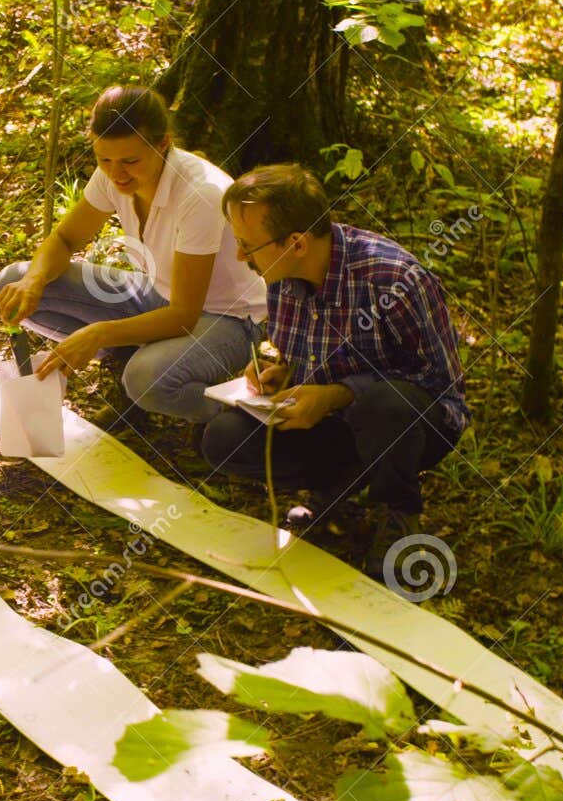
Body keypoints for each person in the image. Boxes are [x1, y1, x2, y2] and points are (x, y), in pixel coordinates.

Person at [201, 163, 470, 571]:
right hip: (334, 422)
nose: (241, 256)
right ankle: (335, 490)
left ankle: (396, 514)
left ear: (296, 243)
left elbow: (438, 387)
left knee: (383, 405)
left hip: (407, 425)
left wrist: (341, 393)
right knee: (222, 438)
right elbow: (309, 354)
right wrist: (283, 374)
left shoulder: (391, 280)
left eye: (248, 245)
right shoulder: (281, 275)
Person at [0, 85, 267, 425]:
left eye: (130, 161)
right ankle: (127, 359)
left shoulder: (200, 193)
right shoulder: (113, 174)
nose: (116, 173)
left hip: (228, 319)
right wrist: (33, 281)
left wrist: (99, 333)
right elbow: (64, 238)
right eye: (103, 159)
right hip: (158, 293)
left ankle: (229, 414)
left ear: (163, 143)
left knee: (146, 379)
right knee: (13, 281)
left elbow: (184, 314)